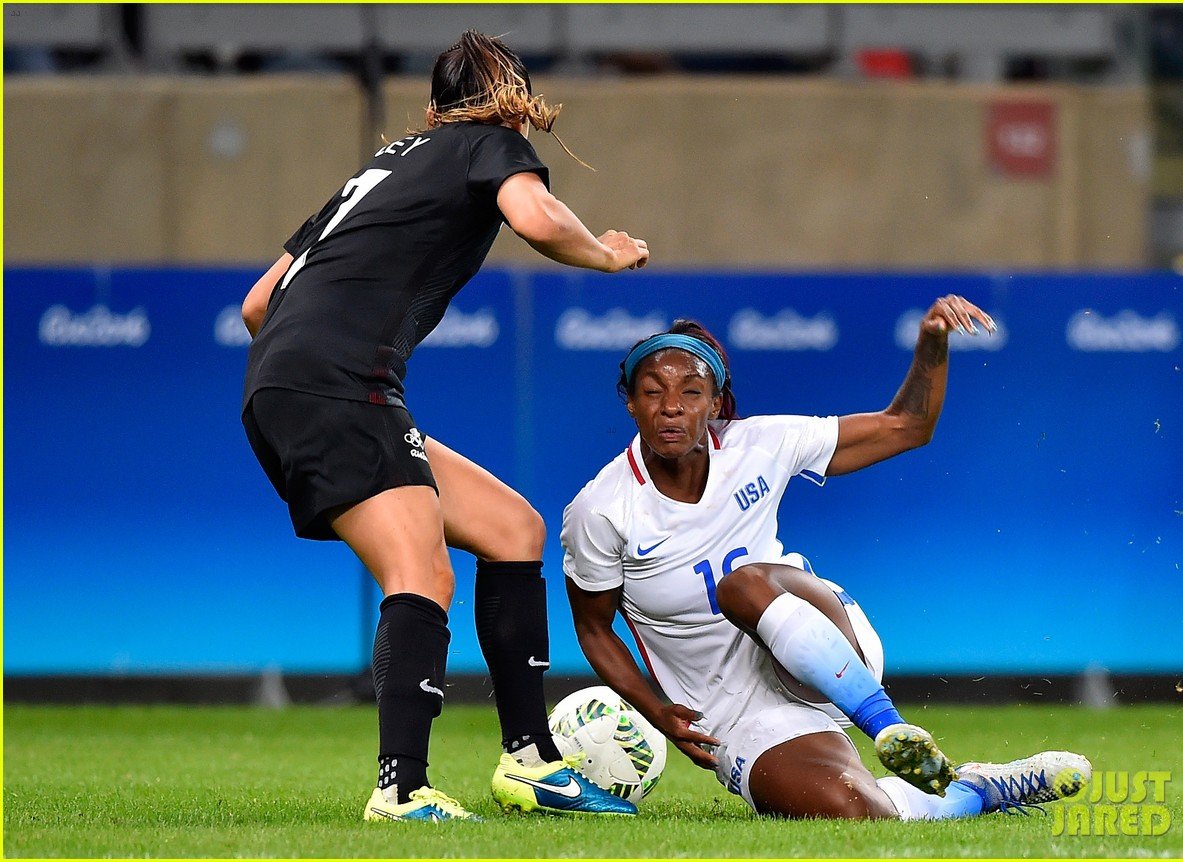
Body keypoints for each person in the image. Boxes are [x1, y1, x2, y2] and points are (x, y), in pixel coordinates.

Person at [240, 31, 646, 822]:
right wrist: (603, 253)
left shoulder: (381, 166)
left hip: (303, 384)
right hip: (337, 388)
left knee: (511, 528)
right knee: (421, 573)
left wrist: (308, 366)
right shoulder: (488, 145)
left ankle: (531, 762)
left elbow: (259, 304)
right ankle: (400, 789)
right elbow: (533, 215)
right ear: (519, 113)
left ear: (431, 107)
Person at [561, 297, 1091, 820]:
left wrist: (931, 344)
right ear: (630, 402)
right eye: (652, 393)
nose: (671, 407)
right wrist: (658, 713)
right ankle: (978, 790)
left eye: (691, 392)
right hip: (733, 713)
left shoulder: (761, 444)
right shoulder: (601, 509)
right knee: (852, 809)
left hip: (827, 644)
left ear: (718, 403)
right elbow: (595, 628)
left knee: (740, 585)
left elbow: (907, 426)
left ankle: (889, 727)